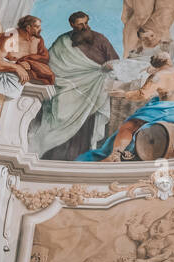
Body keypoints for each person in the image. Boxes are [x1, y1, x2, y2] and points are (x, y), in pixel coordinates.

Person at [78, 52, 174, 162]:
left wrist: (125, 94)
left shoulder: (157, 76)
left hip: (167, 110)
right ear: (169, 60)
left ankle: (115, 155)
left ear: (155, 65)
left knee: (128, 126)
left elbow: (143, 94)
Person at [30, 11, 119, 160]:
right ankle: (49, 154)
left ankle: (76, 157)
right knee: (59, 110)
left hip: (92, 89)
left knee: (83, 126)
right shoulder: (62, 41)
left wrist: (109, 67)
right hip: (65, 86)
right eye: (80, 24)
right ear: (72, 25)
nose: (85, 27)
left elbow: (116, 62)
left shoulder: (100, 39)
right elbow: (52, 62)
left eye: (86, 23)